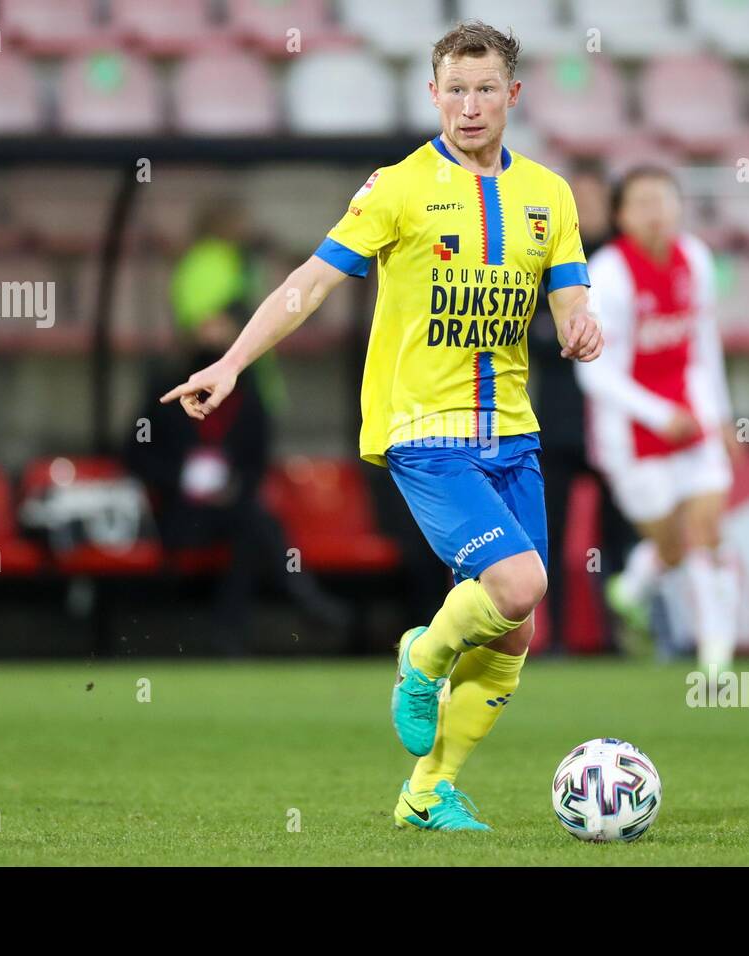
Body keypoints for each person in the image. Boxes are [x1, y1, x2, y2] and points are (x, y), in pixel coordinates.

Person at [161, 20, 602, 831]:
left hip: (511, 431)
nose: (469, 106)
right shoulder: (397, 188)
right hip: (423, 429)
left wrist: (580, 321)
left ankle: (428, 791)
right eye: (455, 90)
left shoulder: (551, 195)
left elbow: (569, 289)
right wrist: (230, 362)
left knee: (513, 633)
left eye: (485, 89)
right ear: (433, 95)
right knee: (521, 586)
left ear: (513, 94)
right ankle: (421, 656)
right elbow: (310, 283)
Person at [129, 213, 348, 655]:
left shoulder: (247, 394)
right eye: (209, 323)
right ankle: (300, 600)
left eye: (225, 324)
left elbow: (255, 457)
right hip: (177, 510)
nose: (215, 331)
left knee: (252, 525)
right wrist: (182, 479)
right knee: (255, 526)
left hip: (229, 508)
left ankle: (234, 635)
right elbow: (135, 452)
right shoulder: (165, 386)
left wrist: (230, 487)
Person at [574, 166, 743, 680]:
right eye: (642, 202)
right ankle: (630, 590)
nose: (656, 211)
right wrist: (657, 414)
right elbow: (594, 370)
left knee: (706, 531)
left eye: (664, 200)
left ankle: (717, 667)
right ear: (621, 215)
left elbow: (703, 346)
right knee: (671, 544)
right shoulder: (607, 273)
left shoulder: (694, 257)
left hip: (689, 418)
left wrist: (720, 416)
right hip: (629, 433)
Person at [528, 160, 634, 655]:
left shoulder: (621, 263)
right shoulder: (549, 260)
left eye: (595, 200)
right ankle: (557, 640)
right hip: (561, 421)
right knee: (549, 535)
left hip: (614, 420)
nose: (587, 209)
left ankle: (620, 636)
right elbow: (529, 335)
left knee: (618, 536)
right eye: (580, 201)